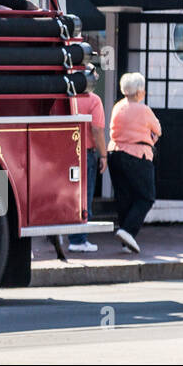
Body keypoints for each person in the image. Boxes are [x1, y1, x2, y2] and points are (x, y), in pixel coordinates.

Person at [105, 71, 162, 253]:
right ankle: (127, 231)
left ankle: (126, 241)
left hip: (115, 153)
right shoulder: (143, 109)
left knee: (124, 198)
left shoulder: (117, 107)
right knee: (146, 197)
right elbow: (158, 129)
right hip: (137, 155)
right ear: (138, 92)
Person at [67, 81, 109, 253]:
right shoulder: (94, 100)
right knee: (84, 196)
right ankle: (78, 239)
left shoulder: (67, 99)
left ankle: (60, 233)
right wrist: (104, 155)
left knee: (68, 195)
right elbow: (97, 130)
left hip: (66, 151)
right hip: (85, 153)